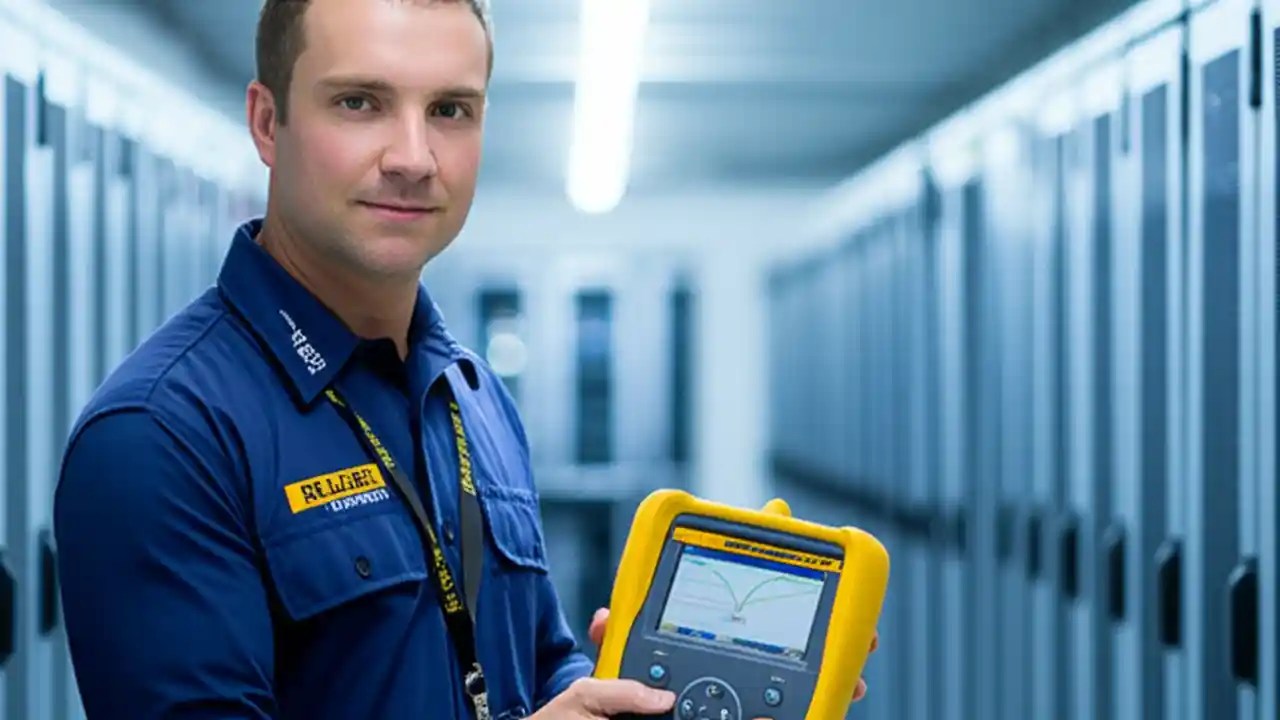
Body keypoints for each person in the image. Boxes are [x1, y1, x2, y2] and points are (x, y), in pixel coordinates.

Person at [53, 0, 874, 718]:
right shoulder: (163, 435)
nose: (414, 157)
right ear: (269, 124)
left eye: (450, 109)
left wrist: (631, 695)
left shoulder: (471, 397)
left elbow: (534, 665)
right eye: (360, 102)